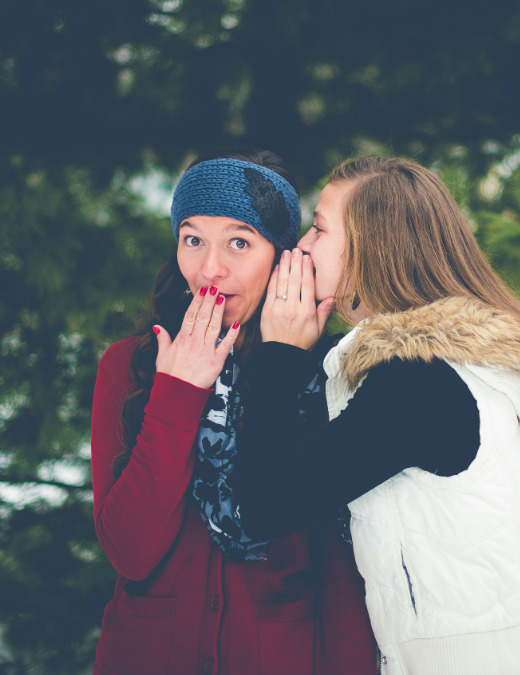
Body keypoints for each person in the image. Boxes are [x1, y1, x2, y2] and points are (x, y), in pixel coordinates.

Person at [225, 156, 520, 674]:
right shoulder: (460, 364)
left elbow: (265, 506)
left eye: (320, 228)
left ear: (372, 247)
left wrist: (279, 353)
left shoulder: (416, 384)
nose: (302, 246)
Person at [90, 151, 377, 675]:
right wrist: (176, 394)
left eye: (239, 242)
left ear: (282, 258)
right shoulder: (129, 367)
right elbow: (130, 551)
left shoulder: (326, 373)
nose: (209, 269)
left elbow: (341, 574)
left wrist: (283, 366)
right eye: (192, 239)